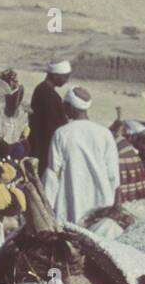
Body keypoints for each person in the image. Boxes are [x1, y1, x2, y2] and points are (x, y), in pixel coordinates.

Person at [42, 87, 120, 224]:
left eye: (65, 105)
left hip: (70, 207)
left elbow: (53, 174)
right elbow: (113, 175)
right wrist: (114, 204)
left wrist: (45, 206)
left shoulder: (62, 133)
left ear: (70, 107)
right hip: (102, 208)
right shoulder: (104, 133)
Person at [28, 60, 71, 170]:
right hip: (44, 149)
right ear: (55, 76)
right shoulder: (49, 95)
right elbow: (54, 127)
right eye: (65, 77)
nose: (67, 80)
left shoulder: (42, 89)